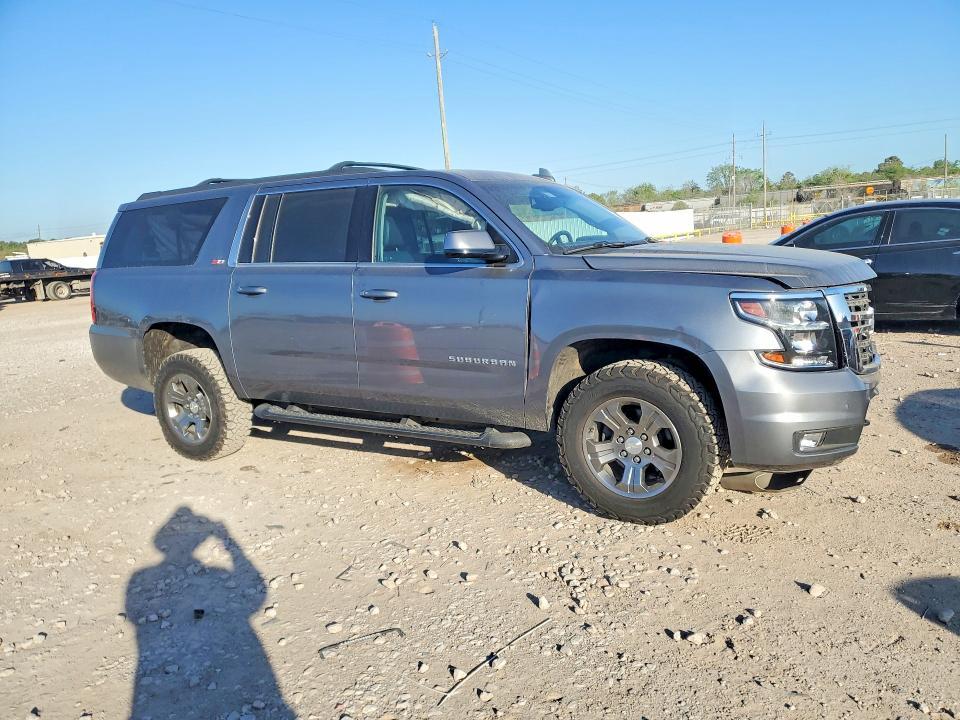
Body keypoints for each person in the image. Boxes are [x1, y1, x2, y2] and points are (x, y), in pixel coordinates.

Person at [125, 507, 294, 719]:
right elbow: (257, 596)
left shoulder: (140, 576)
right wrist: (230, 543)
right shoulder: (214, 573)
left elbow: (133, 615)